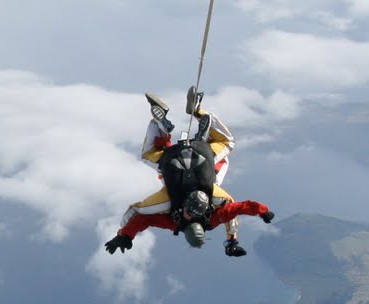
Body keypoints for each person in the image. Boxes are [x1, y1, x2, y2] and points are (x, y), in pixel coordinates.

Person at [104, 93, 274, 257]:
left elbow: (235, 208)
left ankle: (196, 120)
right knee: (148, 158)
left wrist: (124, 235)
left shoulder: (210, 214)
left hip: (199, 157)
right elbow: (236, 209)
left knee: (226, 143)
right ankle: (167, 128)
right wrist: (124, 235)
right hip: (176, 159)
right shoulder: (174, 218)